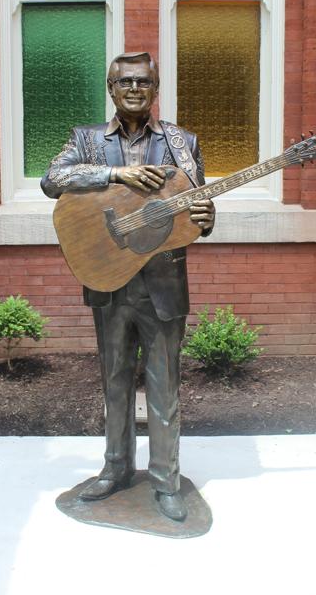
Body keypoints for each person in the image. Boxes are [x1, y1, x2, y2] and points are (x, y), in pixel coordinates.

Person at [41, 52, 215, 522]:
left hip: (162, 284)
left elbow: (196, 205)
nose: (134, 89)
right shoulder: (88, 140)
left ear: (155, 89)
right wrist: (116, 175)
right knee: (114, 382)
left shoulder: (182, 142)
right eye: (125, 82)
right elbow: (52, 179)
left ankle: (165, 481)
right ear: (111, 88)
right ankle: (115, 468)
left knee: (164, 387)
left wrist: (207, 217)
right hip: (108, 281)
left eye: (143, 82)